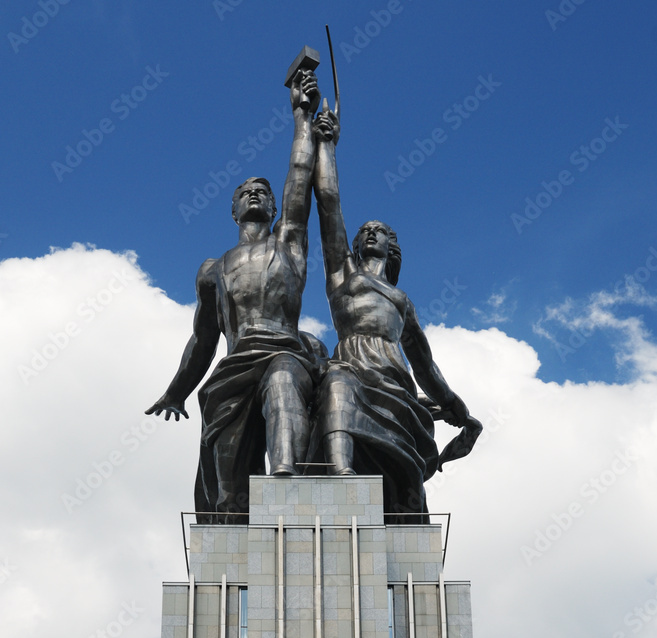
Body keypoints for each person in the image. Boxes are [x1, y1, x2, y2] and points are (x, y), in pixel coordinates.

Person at [146, 69, 327, 521]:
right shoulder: (212, 270)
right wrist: (176, 392)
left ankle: (287, 480)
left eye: (262, 191)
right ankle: (230, 553)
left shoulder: (289, 241)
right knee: (228, 494)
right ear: (233, 210)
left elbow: (300, 175)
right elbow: (203, 340)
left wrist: (302, 117)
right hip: (233, 368)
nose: (255, 194)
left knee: (285, 381)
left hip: (284, 350)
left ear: (272, 205)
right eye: (245, 191)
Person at [310, 105, 482, 521]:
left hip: (396, 383)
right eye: (365, 230)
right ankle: (342, 471)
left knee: (405, 486)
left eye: (380, 230)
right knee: (336, 380)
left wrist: (454, 404)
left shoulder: (401, 301)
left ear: (392, 246)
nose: (371, 232)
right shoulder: (342, 276)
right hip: (351, 366)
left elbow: (425, 365)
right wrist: (327, 145)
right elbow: (329, 203)